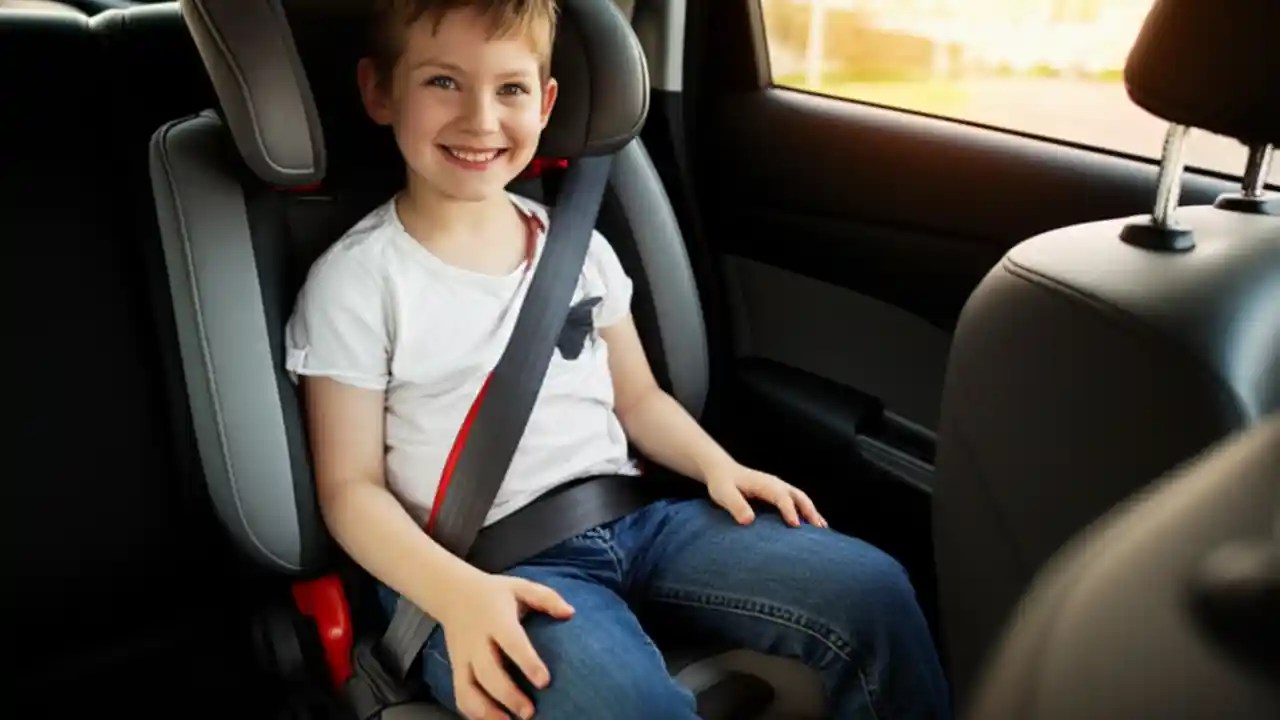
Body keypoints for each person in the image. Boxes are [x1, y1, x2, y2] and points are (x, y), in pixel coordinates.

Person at [284, 1, 951, 718]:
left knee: (873, 590)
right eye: (443, 82)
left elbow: (639, 400)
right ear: (380, 91)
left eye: (511, 89)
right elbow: (350, 490)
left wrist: (718, 466)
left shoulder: (579, 247)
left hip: (641, 525)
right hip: (485, 568)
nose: (481, 118)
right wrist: (456, 596)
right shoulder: (359, 280)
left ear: (546, 104)